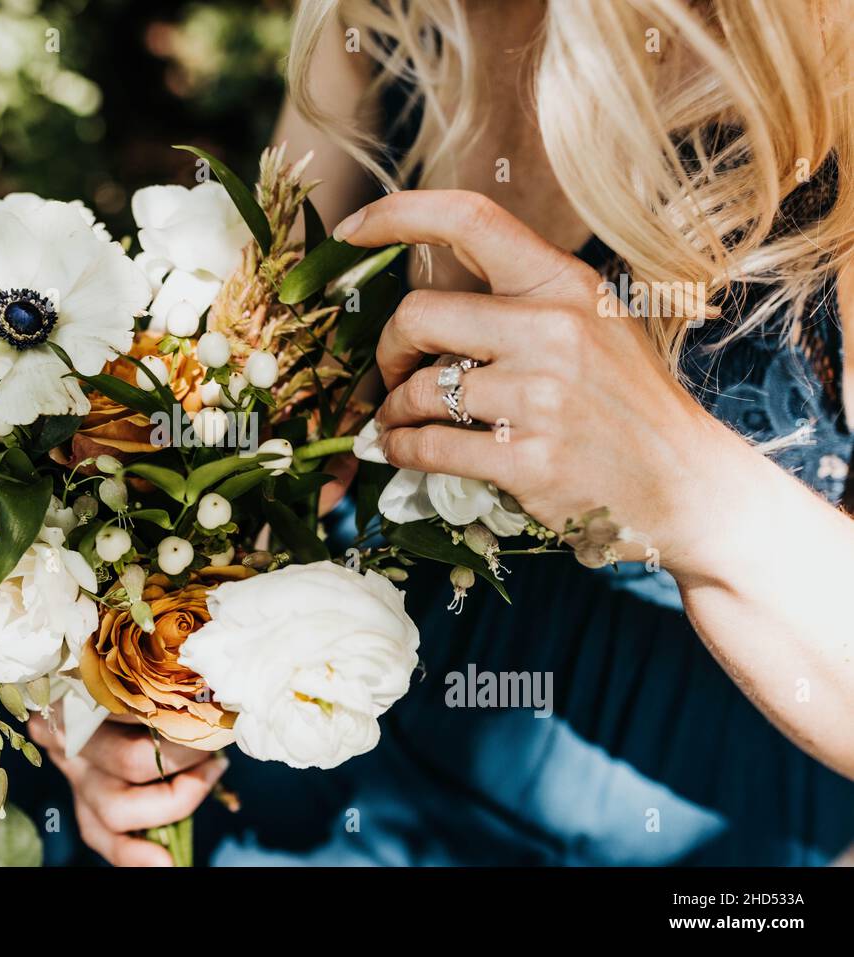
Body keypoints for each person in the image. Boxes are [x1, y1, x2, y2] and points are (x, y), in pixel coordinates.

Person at [41, 0, 854, 866]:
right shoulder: (382, 23)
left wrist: (684, 484)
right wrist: (122, 695)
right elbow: (244, 418)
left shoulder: (823, 70)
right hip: (355, 749)